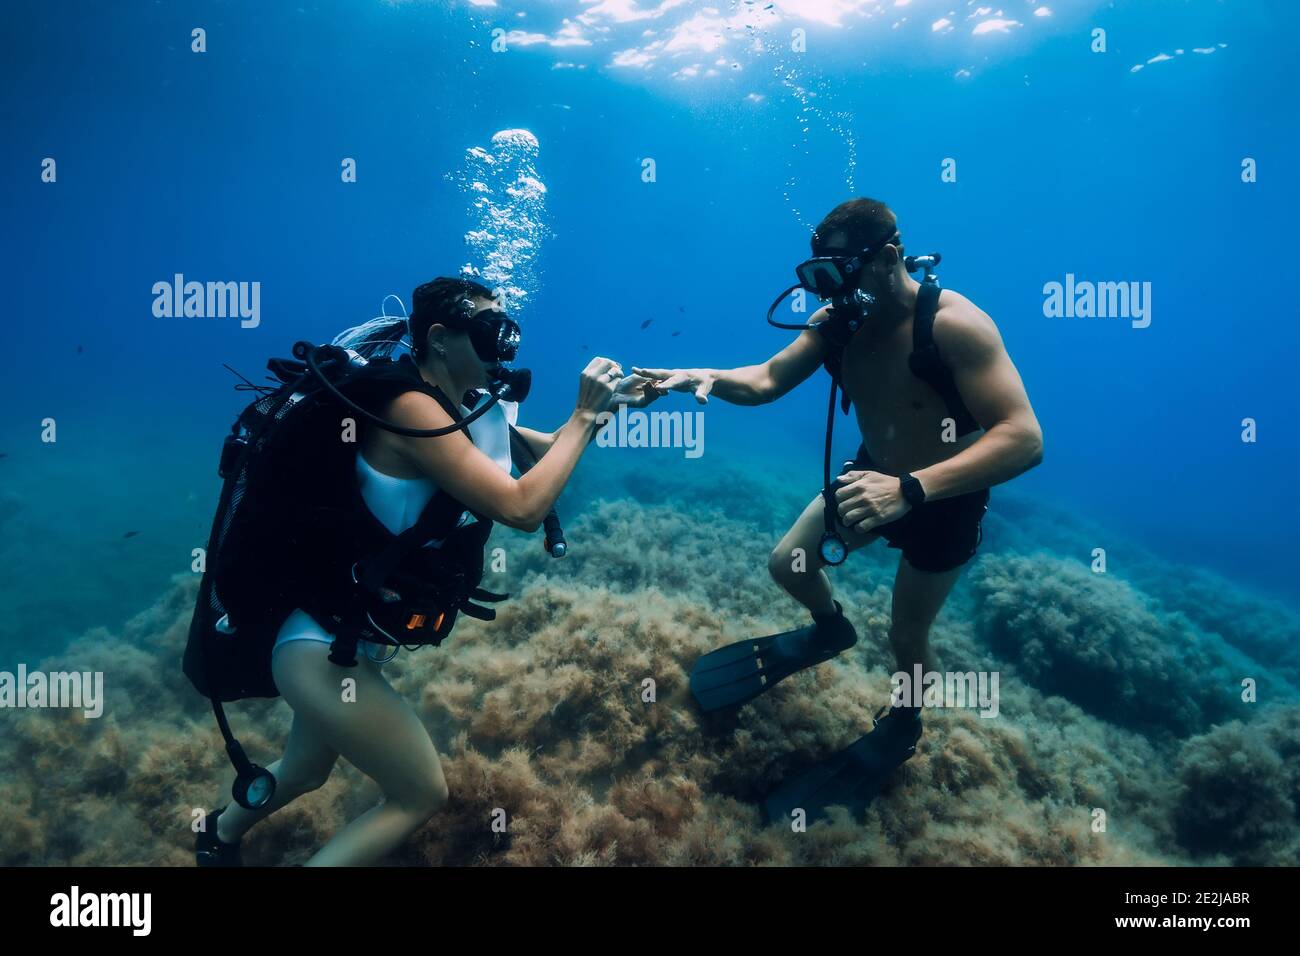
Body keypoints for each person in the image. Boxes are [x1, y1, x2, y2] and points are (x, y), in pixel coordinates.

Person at [196, 277, 653, 865]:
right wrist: (585, 415)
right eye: (491, 332)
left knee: (307, 771)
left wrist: (606, 407)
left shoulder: (465, 407)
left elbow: (544, 456)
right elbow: (521, 506)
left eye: (508, 331)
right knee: (418, 795)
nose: (504, 347)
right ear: (439, 338)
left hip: (342, 633)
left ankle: (217, 836)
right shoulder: (410, 410)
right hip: (317, 646)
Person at [635, 198, 1043, 823]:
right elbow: (767, 381)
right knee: (788, 565)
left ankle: (904, 723)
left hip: (944, 500)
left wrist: (909, 489)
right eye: (820, 274)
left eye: (840, 273)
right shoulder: (841, 320)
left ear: (886, 258)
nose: (831, 291)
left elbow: (1022, 438)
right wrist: (691, 377)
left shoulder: (956, 325)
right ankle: (830, 627)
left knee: (906, 633)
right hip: (871, 477)